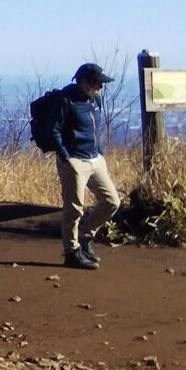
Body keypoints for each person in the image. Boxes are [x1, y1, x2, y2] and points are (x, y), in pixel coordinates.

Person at [43, 61, 122, 271]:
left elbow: (95, 129)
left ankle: (85, 236)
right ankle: (71, 252)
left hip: (95, 159)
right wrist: (67, 159)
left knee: (112, 201)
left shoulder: (94, 99)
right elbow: (54, 131)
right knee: (74, 208)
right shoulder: (65, 100)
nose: (101, 88)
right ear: (84, 82)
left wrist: (100, 154)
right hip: (75, 161)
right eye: (97, 83)